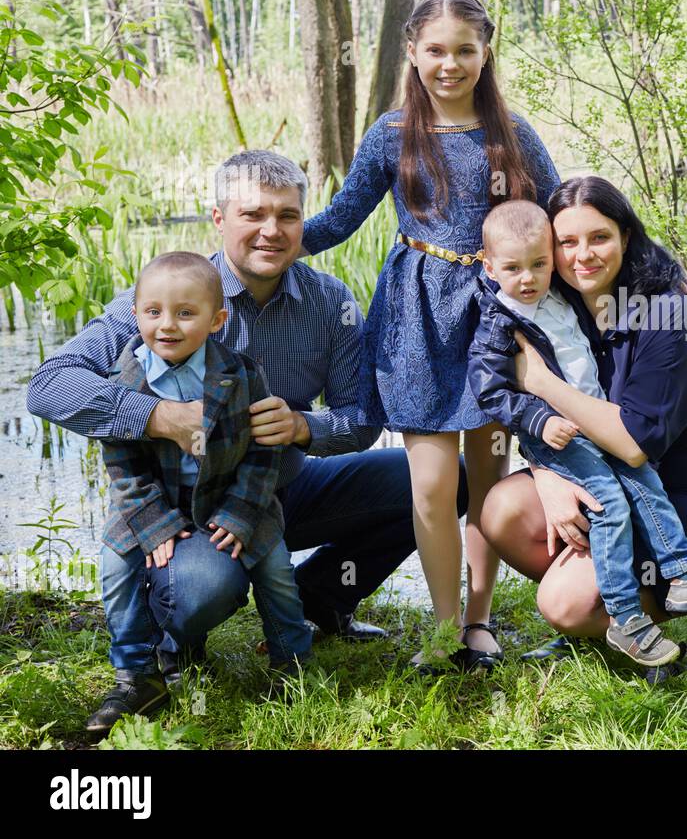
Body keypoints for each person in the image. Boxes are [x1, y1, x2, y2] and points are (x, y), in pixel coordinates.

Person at [26, 150, 462, 687]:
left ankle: (320, 601)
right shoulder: (172, 296)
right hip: (193, 508)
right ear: (219, 219)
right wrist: (160, 416)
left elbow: (363, 417)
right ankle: (173, 638)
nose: (271, 231)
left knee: (441, 482)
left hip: (285, 486)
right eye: (252, 215)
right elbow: (49, 385)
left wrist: (304, 427)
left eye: (287, 216)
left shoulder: (331, 303)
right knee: (204, 588)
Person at [298, 0, 560, 670]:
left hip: (492, 320)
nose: (450, 63)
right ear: (412, 53)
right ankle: (443, 632)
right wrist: (263, 240)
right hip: (415, 321)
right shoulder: (391, 135)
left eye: (465, 50)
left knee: (488, 480)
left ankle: (479, 623)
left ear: (486, 50)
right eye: (436, 50)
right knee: (431, 487)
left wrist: (636, 276)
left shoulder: (512, 133)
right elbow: (336, 222)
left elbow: (558, 219)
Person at [479, 176, 687, 667]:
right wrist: (546, 475)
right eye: (567, 242)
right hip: (602, 472)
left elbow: (634, 443)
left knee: (565, 603)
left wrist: (541, 382)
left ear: (626, 237)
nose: (582, 255)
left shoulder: (669, 313)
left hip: (685, 487)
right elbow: (493, 275)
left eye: (599, 237)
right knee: (503, 509)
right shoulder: (551, 304)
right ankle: (609, 612)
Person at [85, 252, 312, 734]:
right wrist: (154, 522)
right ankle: (136, 676)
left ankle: (291, 664)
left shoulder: (242, 373)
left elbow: (263, 452)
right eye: (153, 312)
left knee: (274, 569)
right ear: (136, 314)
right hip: (150, 501)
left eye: (186, 313)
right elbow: (122, 461)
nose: (167, 325)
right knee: (114, 565)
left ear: (217, 320)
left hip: (229, 499)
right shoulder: (126, 379)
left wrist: (241, 514)